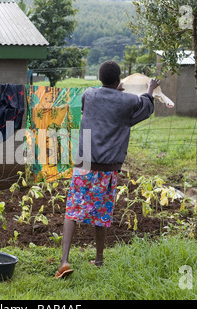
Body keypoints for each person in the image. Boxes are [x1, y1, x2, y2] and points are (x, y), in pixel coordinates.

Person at [55, 60, 161, 279]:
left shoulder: (89, 95)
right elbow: (145, 108)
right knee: (101, 212)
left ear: (100, 77)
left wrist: (114, 91)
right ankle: (100, 258)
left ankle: (64, 260)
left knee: (73, 210)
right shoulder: (128, 101)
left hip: (84, 165)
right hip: (108, 168)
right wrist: (150, 90)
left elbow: (95, 107)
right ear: (119, 79)